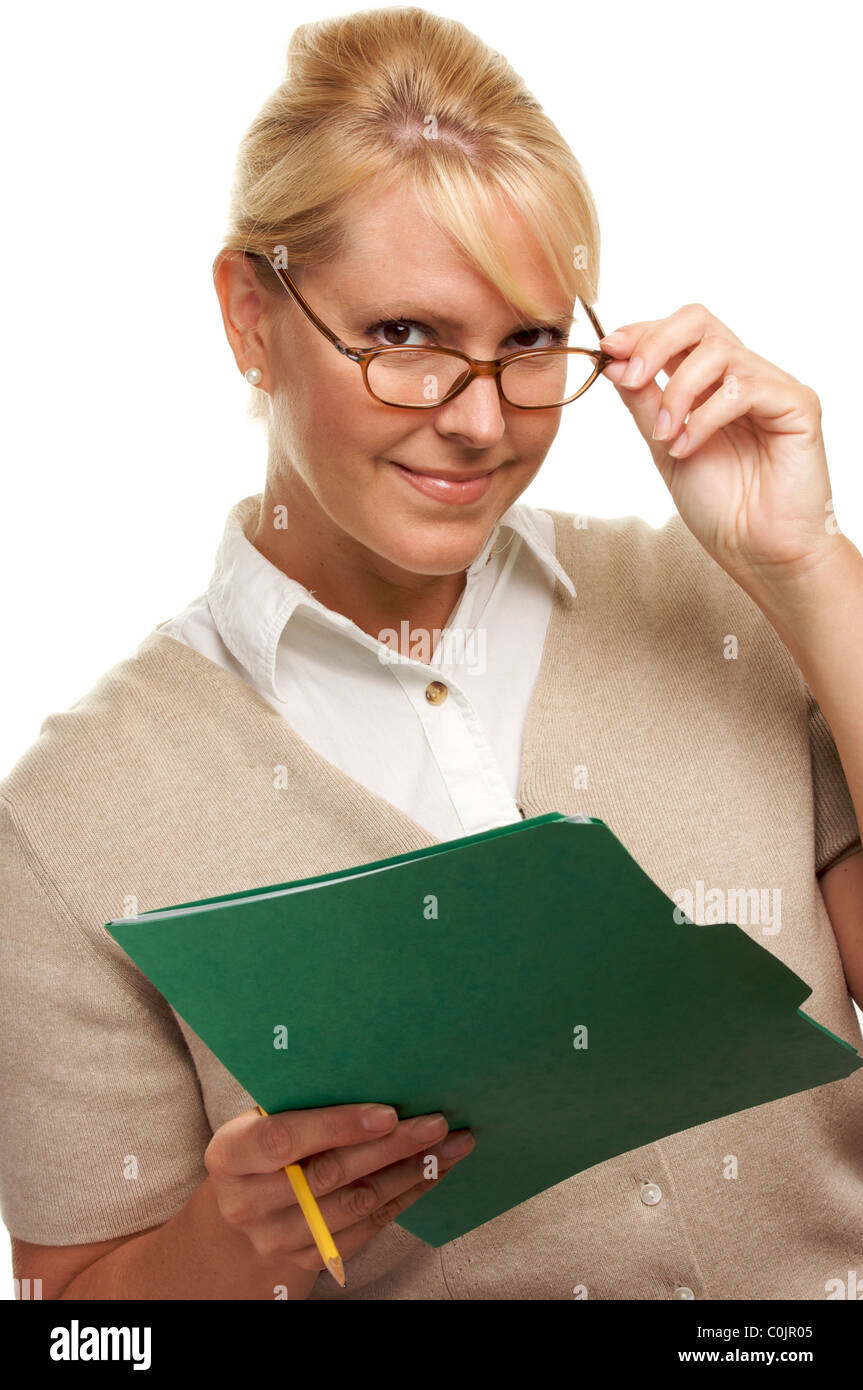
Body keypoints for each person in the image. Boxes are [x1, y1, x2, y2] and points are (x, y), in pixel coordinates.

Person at [2, 7, 862, 1302]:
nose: (476, 421)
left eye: (527, 343)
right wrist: (226, 1247)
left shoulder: (726, 608)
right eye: (403, 336)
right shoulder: (71, 813)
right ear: (248, 311)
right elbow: (81, 1322)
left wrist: (808, 569)